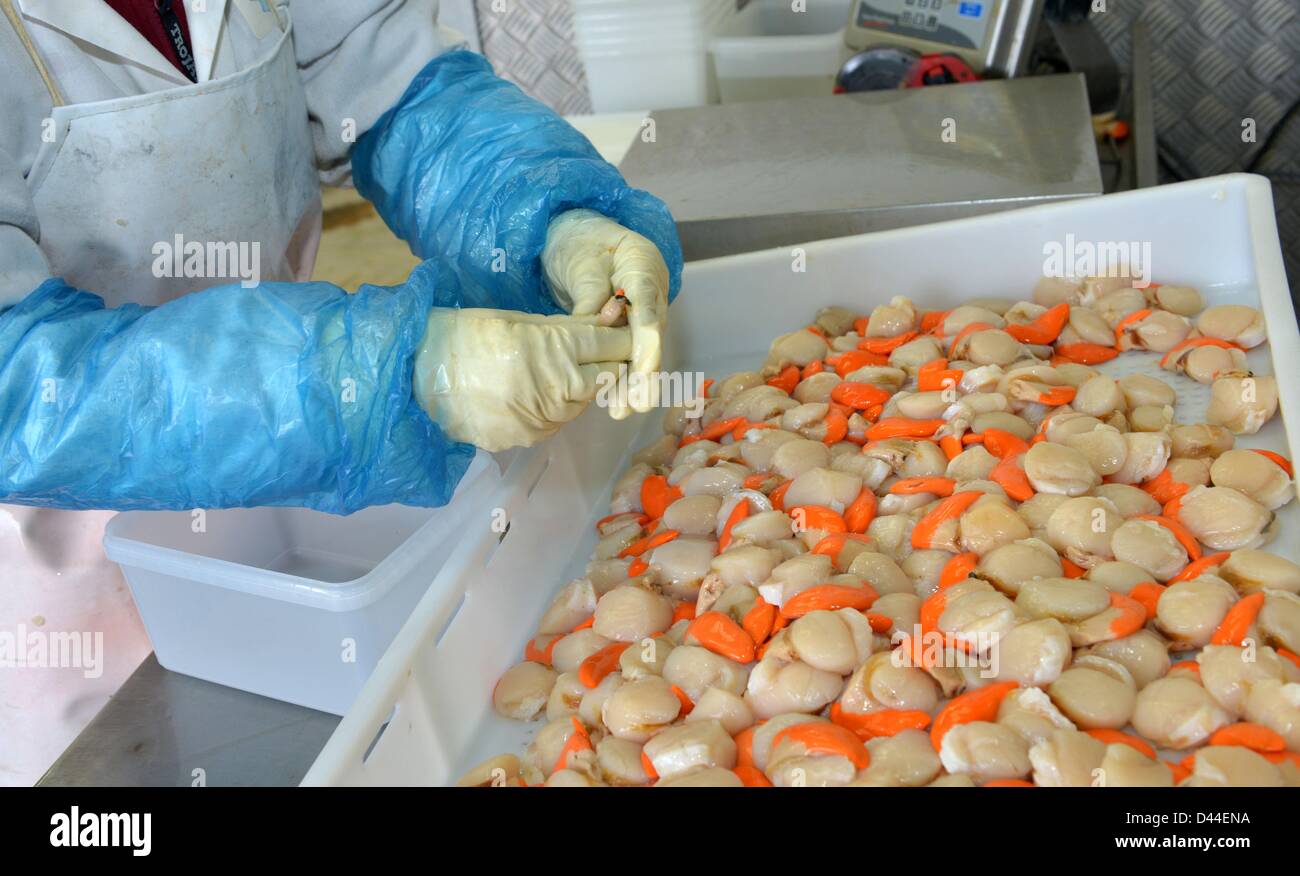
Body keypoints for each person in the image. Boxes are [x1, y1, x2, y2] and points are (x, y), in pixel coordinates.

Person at [0, 0, 682, 785]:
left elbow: (394, 84)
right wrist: (377, 375)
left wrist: (544, 218)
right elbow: (18, 385)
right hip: (71, 611)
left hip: (305, 510)